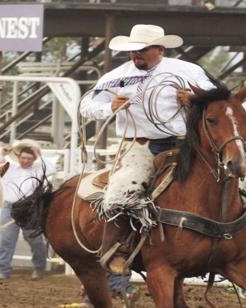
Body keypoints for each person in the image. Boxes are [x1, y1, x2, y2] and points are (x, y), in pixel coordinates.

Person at [77, 23, 215, 275]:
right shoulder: (116, 76)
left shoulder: (188, 71)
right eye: (133, 51)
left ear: (159, 49)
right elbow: (86, 105)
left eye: (142, 50)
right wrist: (109, 108)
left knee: (233, 180)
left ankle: (242, 244)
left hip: (187, 142)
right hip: (140, 144)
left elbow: (217, 97)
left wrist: (194, 100)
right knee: (121, 189)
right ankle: (116, 250)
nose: (135, 55)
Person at [0, 142, 49, 281]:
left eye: (29, 159)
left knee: (35, 239)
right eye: (23, 158)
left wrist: (39, 155)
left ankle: (39, 268)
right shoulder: (9, 168)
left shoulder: (38, 169)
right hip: (10, 207)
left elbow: (51, 168)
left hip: (29, 209)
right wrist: (1, 154)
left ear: (34, 159)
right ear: (18, 157)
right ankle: (2, 270)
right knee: (6, 240)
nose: (25, 161)